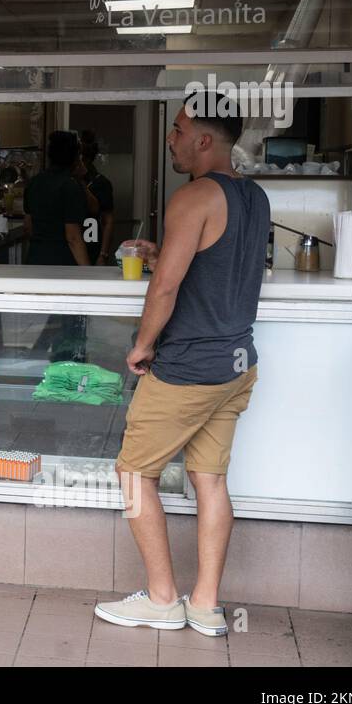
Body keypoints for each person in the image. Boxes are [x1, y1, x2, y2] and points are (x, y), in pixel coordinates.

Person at [95, 91, 270, 636]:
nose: (171, 139)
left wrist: (142, 345)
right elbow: (213, 263)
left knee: (131, 473)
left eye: (176, 129)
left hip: (190, 364)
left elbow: (166, 288)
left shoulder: (193, 197)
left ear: (204, 139)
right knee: (210, 479)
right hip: (237, 363)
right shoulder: (254, 195)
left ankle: (164, 599)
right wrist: (158, 252)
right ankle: (205, 605)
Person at [23, 130, 90, 266]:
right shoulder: (70, 186)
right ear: (75, 157)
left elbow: (28, 227)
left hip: (35, 259)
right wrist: (87, 272)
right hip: (62, 263)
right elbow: (73, 237)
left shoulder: (34, 182)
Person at [79, 130, 116, 265]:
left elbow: (108, 220)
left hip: (91, 243)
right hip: (68, 247)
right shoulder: (67, 182)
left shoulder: (101, 183)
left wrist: (103, 254)